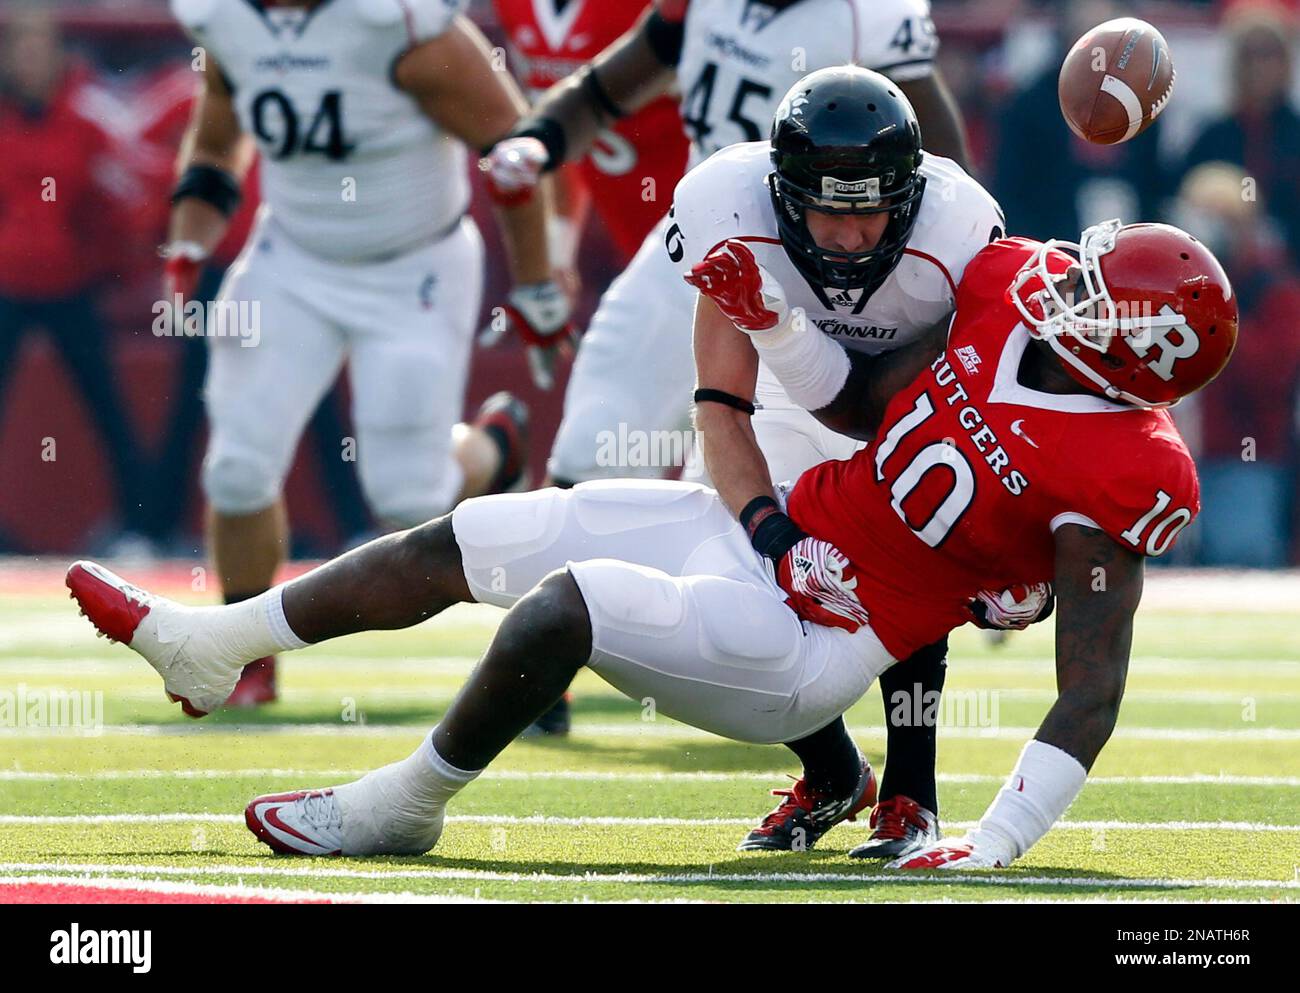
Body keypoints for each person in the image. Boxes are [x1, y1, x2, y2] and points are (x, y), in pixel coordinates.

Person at [67, 216, 1238, 869]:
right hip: (769, 535)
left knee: (569, 602)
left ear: (1137, 360)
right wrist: (777, 326)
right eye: (1082, 276)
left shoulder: (1131, 471)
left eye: (1093, 302)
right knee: (468, 536)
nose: (1063, 291)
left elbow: (1090, 690)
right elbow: (869, 402)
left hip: (808, 640)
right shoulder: (1006, 287)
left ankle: (403, 805)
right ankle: (210, 642)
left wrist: (1003, 838)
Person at [161, 0, 569, 704]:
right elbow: (220, 132)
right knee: (236, 466)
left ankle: (489, 452)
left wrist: (534, 280)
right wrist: (191, 235)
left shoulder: (400, 25)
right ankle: (246, 659)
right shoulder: (226, 18)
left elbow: (515, 151)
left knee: (409, 499)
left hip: (414, 265)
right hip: (291, 256)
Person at [667, 67, 1017, 857]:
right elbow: (721, 405)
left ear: (912, 197)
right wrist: (771, 534)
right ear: (787, 196)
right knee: (733, 579)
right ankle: (831, 771)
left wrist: (1012, 550)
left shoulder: (959, 232)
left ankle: (910, 795)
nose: (854, 238)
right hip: (785, 389)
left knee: (914, 546)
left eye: (874, 213)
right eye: (829, 213)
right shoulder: (727, 207)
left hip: (919, 403)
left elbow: (987, 396)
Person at [0, 8, 153, 550]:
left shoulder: (88, 120)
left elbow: (120, 204)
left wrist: (98, 265)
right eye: (20, 49)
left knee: (108, 409)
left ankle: (141, 527)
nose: (29, 60)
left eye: (39, 47)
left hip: (69, 286)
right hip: (8, 286)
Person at [1181, 3, 1300, 268]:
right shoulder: (1212, 137)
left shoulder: (1295, 136)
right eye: (1248, 55)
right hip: (1218, 275)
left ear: (1286, 62)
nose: (1258, 66)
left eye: (1269, 54)